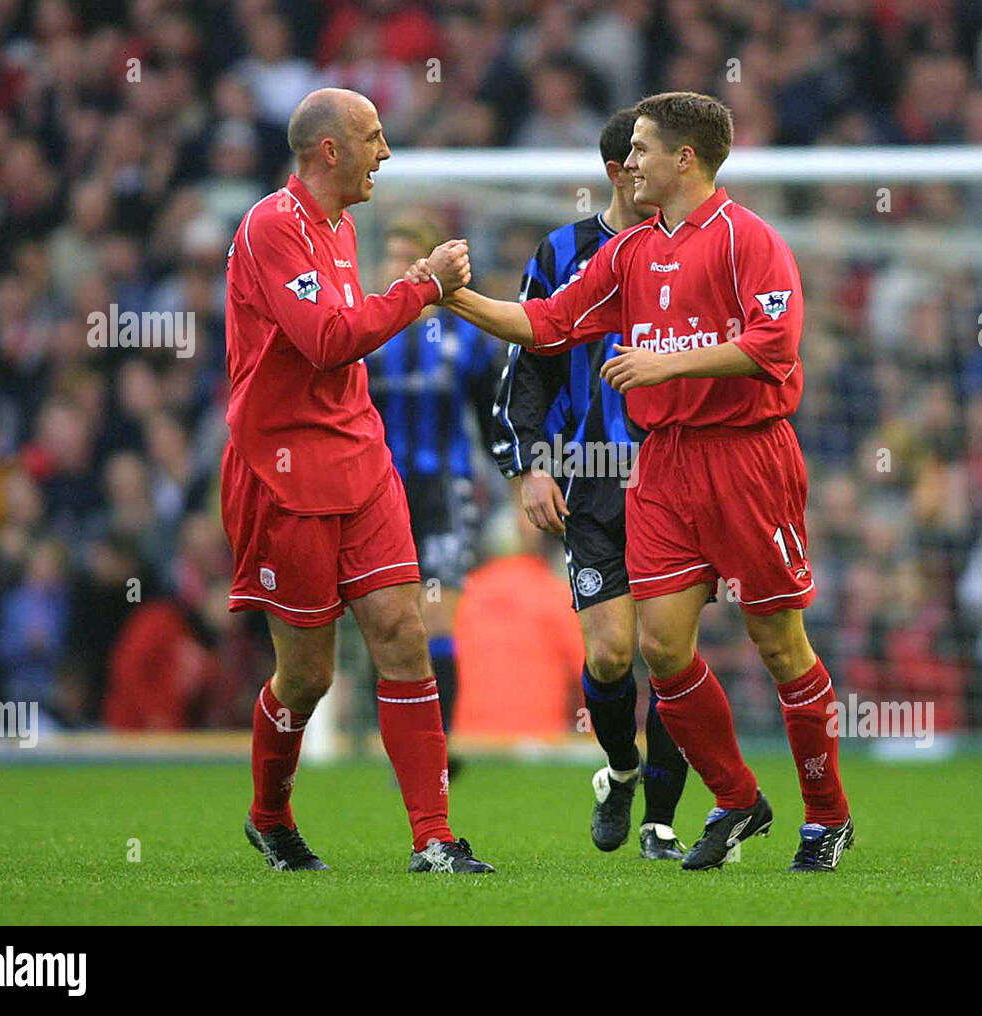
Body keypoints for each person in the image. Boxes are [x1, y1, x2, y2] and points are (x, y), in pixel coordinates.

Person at [435, 91, 853, 872]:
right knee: (659, 649)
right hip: (660, 464)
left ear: (684, 159)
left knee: (777, 641)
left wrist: (667, 362)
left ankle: (826, 817)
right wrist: (450, 296)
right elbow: (549, 322)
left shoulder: (745, 238)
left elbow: (776, 342)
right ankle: (736, 799)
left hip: (746, 455)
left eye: (643, 149)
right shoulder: (626, 254)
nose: (628, 165)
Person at [221, 87, 492, 874]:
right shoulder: (273, 227)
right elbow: (328, 341)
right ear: (329, 150)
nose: (387, 152)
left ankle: (433, 837)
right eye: (374, 138)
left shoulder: (341, 227)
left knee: (405, 638)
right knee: (305, 677)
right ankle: (270, 815)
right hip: (284, 474)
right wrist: (423, 286)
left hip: (362, 460)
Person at [491, 107, 689, 860]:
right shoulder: (563, 252)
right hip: (590, 479)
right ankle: (621, 769)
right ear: (620, 172)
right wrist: (532, 464)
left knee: (672, 655)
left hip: (673, 476)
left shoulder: (689, 249)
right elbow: (529, 363)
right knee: (611, 654)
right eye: (641, 158)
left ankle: (663, 823)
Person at [366, 216, 503, 763]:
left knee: (439, 615)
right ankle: (400, 739)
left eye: (410, 255)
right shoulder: (369, 331)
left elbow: (491, 413)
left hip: (446, 487)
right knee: (395, 620)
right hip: (380, 491)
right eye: (392, 253)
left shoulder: (464, 336)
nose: (399, 264)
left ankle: (437, 746)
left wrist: (517, 479)